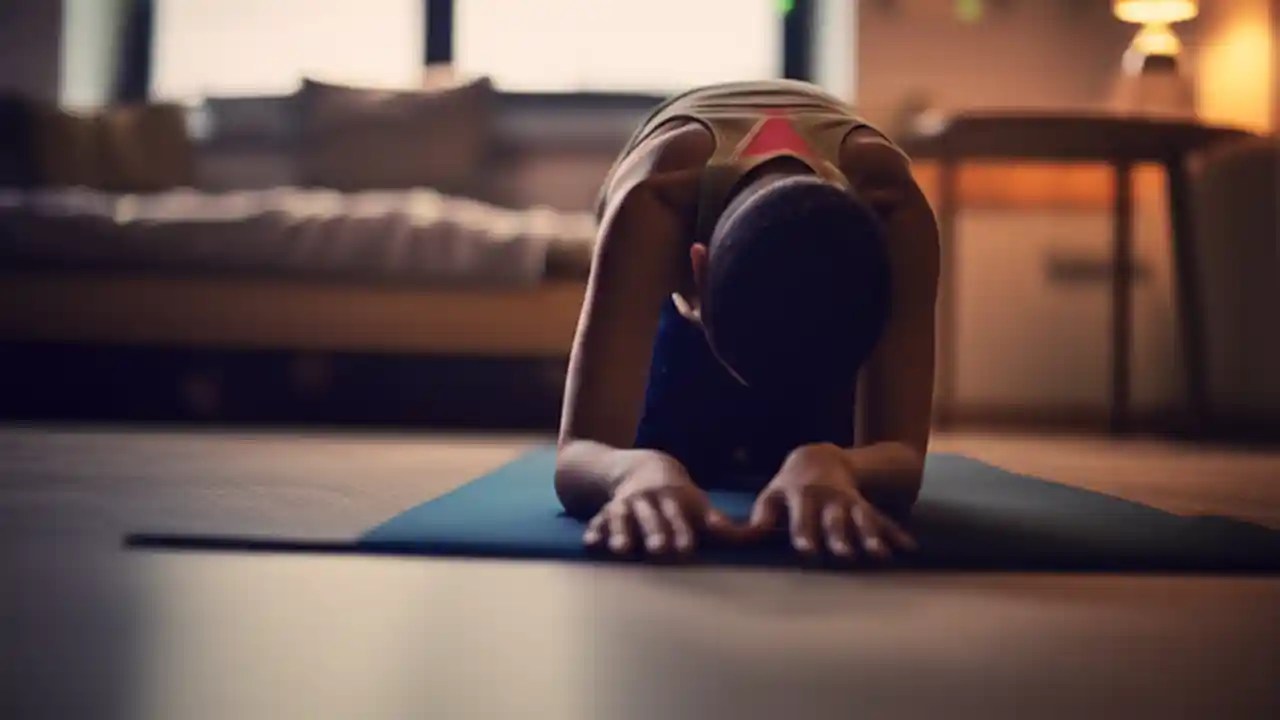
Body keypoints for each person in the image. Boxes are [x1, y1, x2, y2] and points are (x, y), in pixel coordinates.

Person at [554, 79, 939, 563]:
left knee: (820, 460)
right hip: (687, 331)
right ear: (696, 270)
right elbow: (580, 450)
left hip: (810, 339)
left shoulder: (895, 209)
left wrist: (834, 462)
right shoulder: (654, 201)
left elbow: (901, 450)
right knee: (675, 449)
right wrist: (634, 473)